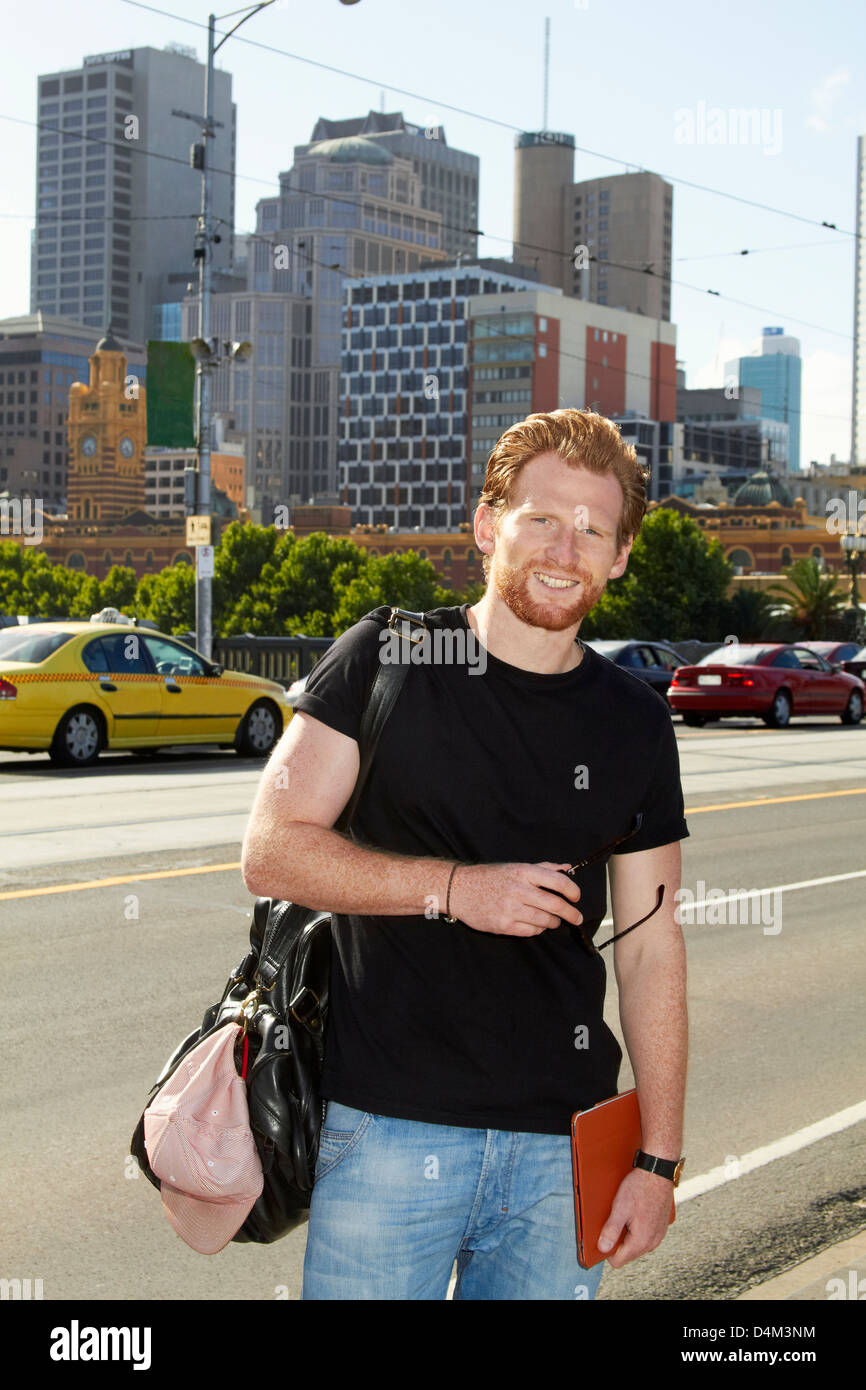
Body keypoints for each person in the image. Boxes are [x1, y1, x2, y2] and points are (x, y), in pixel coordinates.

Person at [241, 408, 689, 1300]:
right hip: (386, 1133)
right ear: (489, 527)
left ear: (622, 556)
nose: (568, 548)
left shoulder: (636, 719)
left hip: (565, 1151)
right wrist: (454, 889)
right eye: (543, 519)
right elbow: (272, 853)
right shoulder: (388, 656)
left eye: (596, 530)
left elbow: (651, 945)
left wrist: (659, 1159)